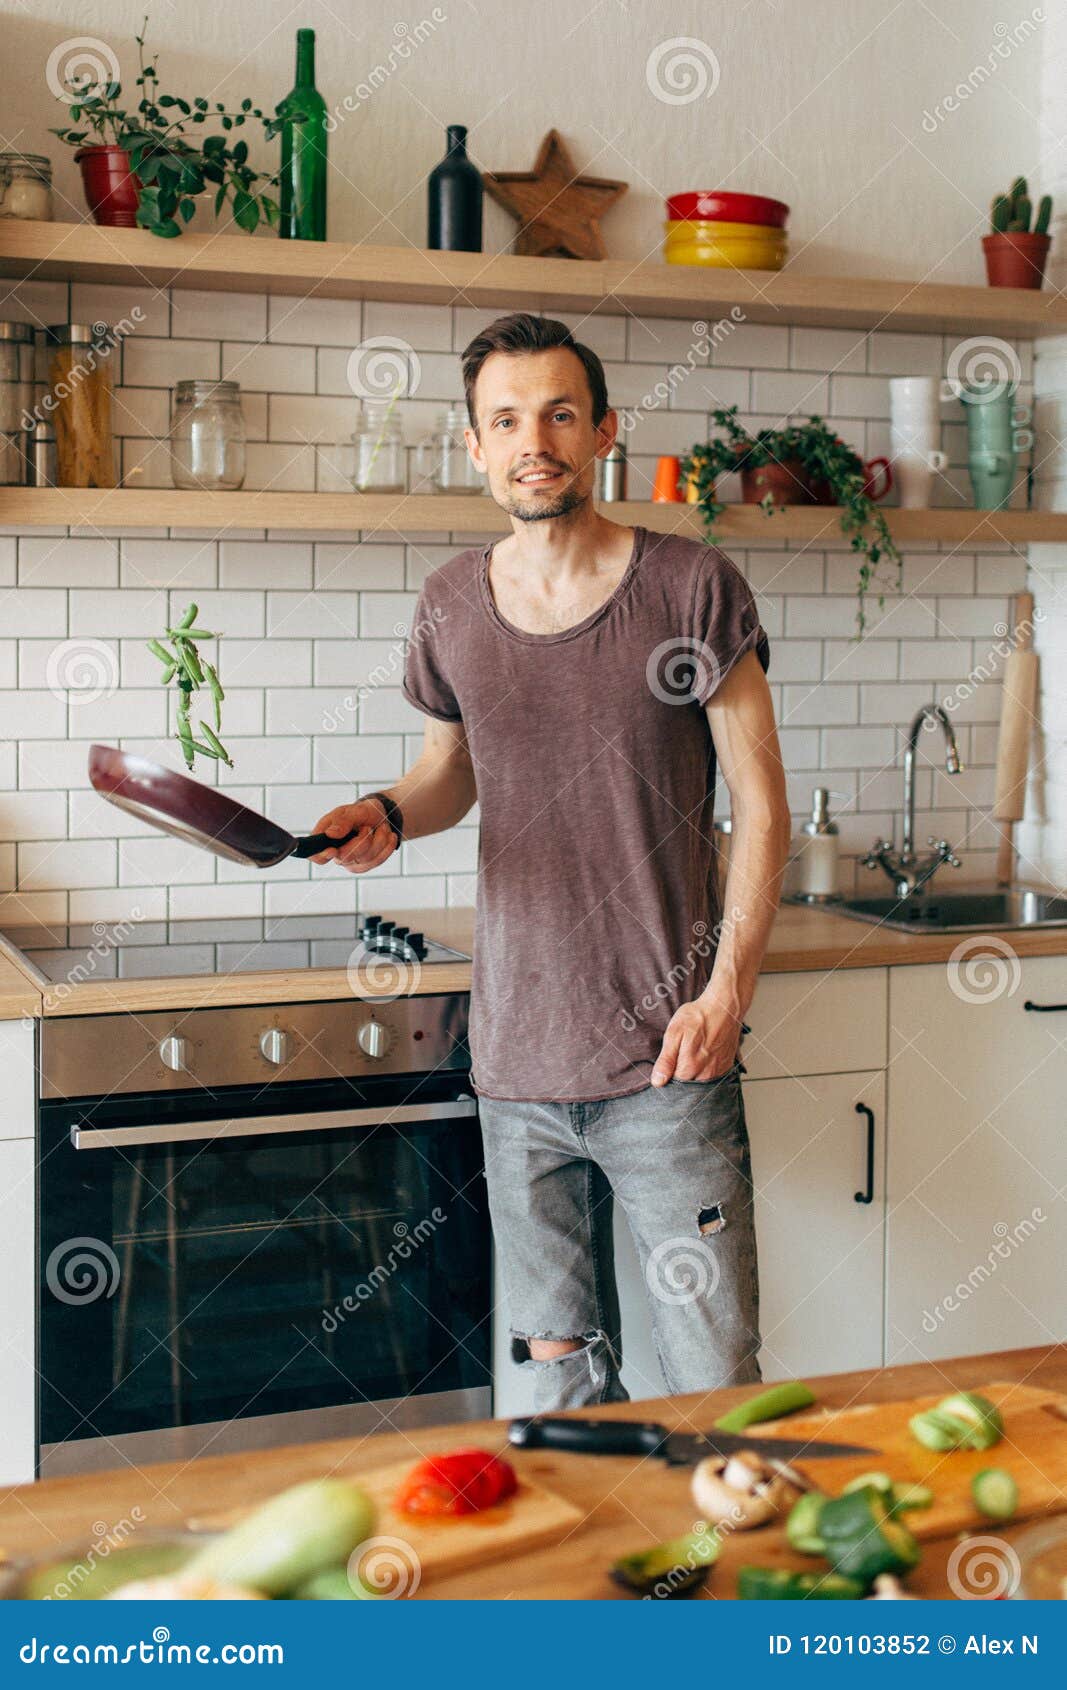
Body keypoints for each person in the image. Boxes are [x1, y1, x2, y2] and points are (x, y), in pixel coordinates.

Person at [311, 311, 792, 1409]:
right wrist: (387, 808)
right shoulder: (448, 605)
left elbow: (761, 807)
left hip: (667, 1058)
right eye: (508, 419)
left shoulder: (690, 588)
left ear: (603, 430)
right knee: (554, 1389)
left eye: (560, 414)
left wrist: (727, 993)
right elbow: (453, 773)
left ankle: (729, 1577)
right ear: (475, 447)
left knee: (713, 1382)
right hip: (517, 1061)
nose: (536, 439)